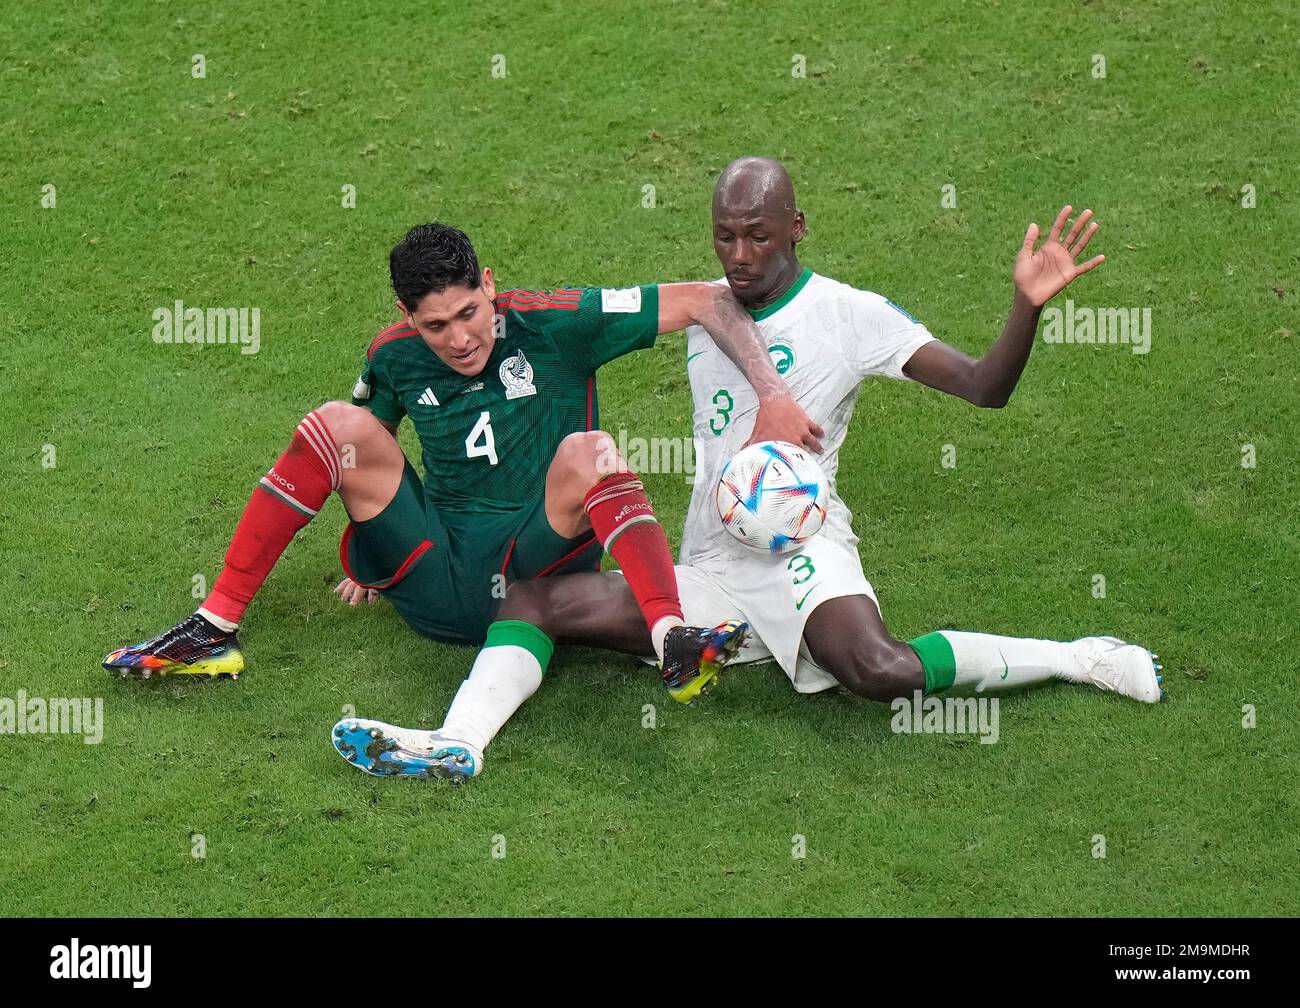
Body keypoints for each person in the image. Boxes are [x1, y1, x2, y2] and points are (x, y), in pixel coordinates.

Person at [331, 160, 1162, 785]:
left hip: (801, 546)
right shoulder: (711, 305)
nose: (739, 254)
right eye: (725, 236)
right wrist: (376, 554)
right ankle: (458, 742)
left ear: (798, 226)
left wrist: (1025, 306)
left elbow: (985, 388)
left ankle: (1075, 655)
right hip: (711, 563)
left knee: (878, 673)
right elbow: (683, 303)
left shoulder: (850, 314)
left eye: (758, 235)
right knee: (531, 598)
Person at [104, 221, 823, 706]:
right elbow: (354, 452)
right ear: (406, 314)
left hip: (532, 572)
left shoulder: (560, 321)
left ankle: (673, 637)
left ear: (488, 283)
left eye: (469, 314)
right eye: (435, 326)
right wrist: (367, 559)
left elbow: (710, 299)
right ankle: (213, 628)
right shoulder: (394, 354)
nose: (457, 339)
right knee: (334, 421)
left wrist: (773, 394)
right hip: (436, 577)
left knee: (590, 452)